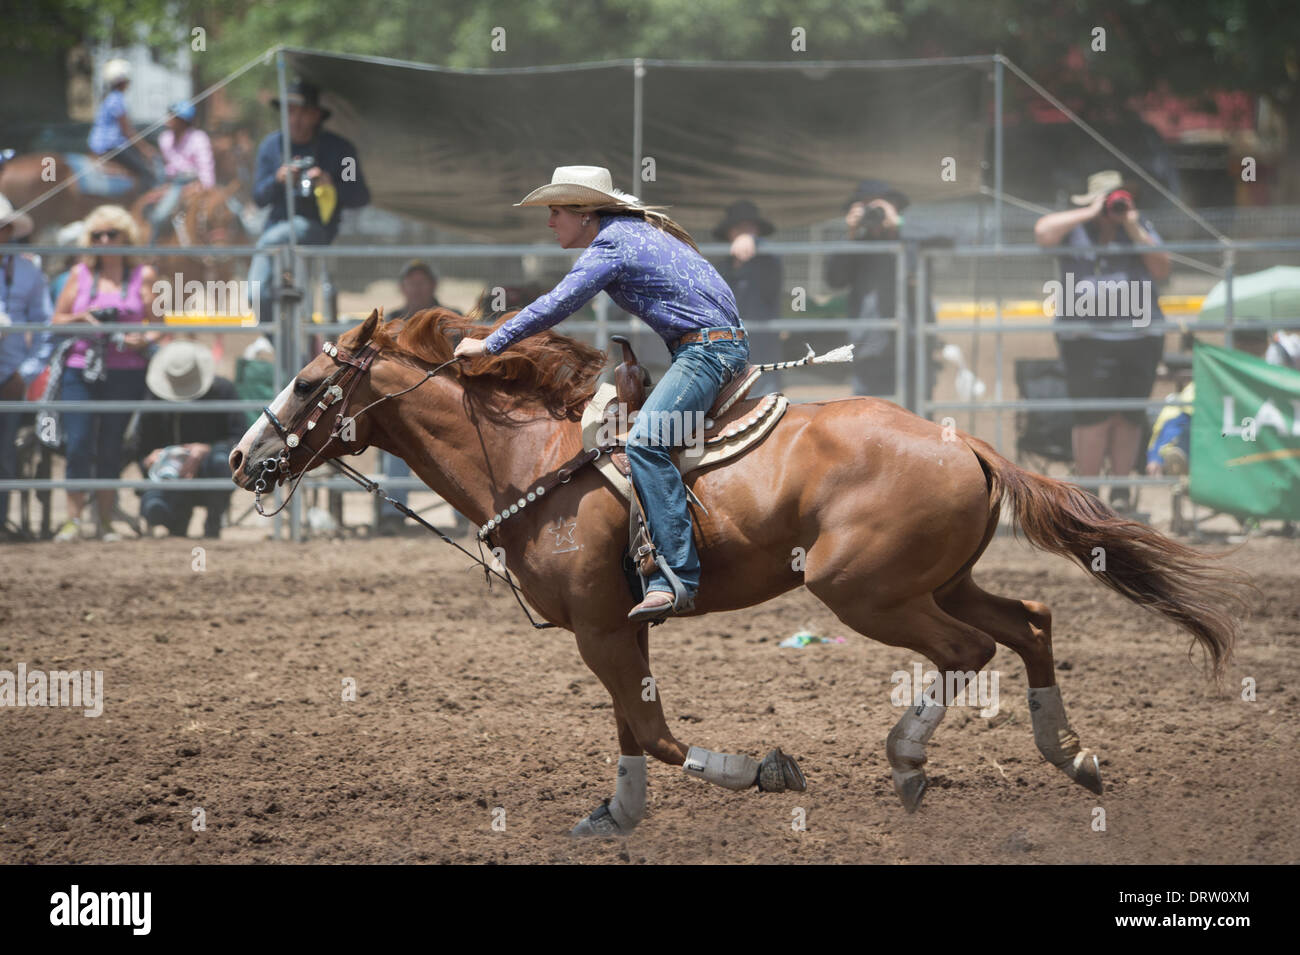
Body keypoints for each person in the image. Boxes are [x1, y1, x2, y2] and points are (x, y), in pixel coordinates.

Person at [453, 166, 750, 623]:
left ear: (584, 212)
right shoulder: (635, 233)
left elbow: (558, 302)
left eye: (555, 213)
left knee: (646, 443)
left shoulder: (613, 243)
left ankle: (675, 579)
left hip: (706, 352)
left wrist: (490, 343)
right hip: (712, 346)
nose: (550, 223)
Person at [1035, 170, 1171, 512]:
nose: (1115, 207)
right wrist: (1090, 212)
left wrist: (1132, 226)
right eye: (1109, 200)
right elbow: (1043, 234)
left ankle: (1121, 490)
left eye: (1118, 199)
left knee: (1128, 415)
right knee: (1092, 417)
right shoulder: (1075, 227)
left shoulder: (1139, 227)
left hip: (1140, 336)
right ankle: (1089, 494)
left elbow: (1161, 268)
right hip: (1085, 339)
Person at [50, 205, 160, 541]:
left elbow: (159, 325)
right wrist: (83, 318)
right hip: (80, 367)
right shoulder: (80, 273)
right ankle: (73, 520)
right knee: (79, 443)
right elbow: (56, 321)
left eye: (112, 233)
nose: (104, 240)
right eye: (97, 235)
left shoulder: (145, 275)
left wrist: (143, 338)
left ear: (127, 238)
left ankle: (105, 521)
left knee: (112, 445)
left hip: (125, 370)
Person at [248, 81, 370, 323]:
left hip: (317, 230)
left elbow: (360, 195)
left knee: (281, 236)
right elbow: (259, 198)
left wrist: (328, 183)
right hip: (275, 235)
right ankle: (292, 355)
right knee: (257, 295)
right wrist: (279, 180)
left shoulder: (341, 150)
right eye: (289, 111)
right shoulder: (271, 147)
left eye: (302, 111)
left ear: (316, 115)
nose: (295, 119)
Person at [824, 179, 939, 408]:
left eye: (878, 206)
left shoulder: (913, 236)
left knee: (918, 419)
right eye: (866, 207)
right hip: (870, 346)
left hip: (914, 343)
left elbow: (954, 235)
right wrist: (850, 234)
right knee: (870, 418)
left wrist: (898, 223)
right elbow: (833, 279)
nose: (873, 214)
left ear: (894, 206)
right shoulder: (856, 244)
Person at [378, 260, 466, 535]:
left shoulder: (451, 318)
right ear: (402, 287)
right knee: (394, 453)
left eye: (422, 282)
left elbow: (460, 363)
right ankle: (391, 514)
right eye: (412, 282)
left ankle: (465, 513)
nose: (417, 288)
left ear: (433, 285)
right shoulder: (392, 320)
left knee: (459, 454)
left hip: (445, 403)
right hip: (403, 405)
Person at [136, 342, 245, 538]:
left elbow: (240, 438)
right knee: (154, 509)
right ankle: (175, 522)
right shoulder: (153, 399)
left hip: (209, 470)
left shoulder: (222, 391)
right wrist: (151, 459)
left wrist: (207, 450)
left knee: (222, 461)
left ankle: (213, 521)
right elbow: (139, 446)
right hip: (170, 475)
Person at [0, 194, 51, 537]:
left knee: (4, 453)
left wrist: (26, 372)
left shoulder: (30, 272)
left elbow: (47, 330)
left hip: (9, 376)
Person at [712, 200, 783, 395]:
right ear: (729, 233)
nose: (744, 233)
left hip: (762, 351)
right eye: (739, 228)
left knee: (766, 403)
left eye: (749, 228)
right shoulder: (721, 267)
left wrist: (756, 244)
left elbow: (772, 281)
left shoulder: (769, 261)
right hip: (727, 349)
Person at [146, 100, 216, 240]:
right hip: (174, 184)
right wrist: (163, 186)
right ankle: (152, 247)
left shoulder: (199, 138)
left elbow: (206, 165)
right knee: (159, 215)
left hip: (195, 181)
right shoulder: (165, 139)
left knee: (228, 209)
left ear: (183, 121)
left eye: (174, 117)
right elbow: (167, 167)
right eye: (170, 115)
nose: (169, 119)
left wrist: (206, 186)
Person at [87, 59, 158, 191]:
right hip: (111, 147)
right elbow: (127, 131)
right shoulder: (117, 100)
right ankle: (145, 209)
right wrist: (146, 149)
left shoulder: (108, 99)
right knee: (145, 172)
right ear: (124, 82)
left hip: (98, 145)